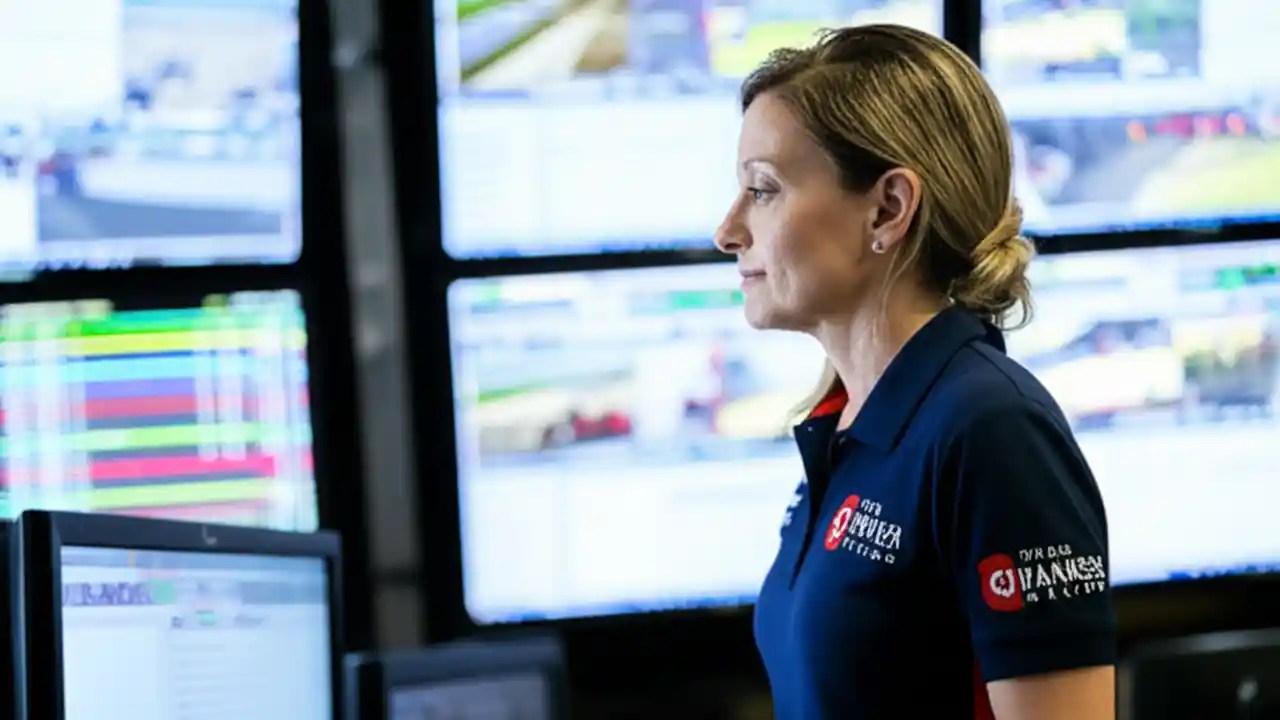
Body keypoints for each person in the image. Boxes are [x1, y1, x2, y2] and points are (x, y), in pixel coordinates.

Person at [713, 24, 1116, 720]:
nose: (727, 230)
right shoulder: (849, 420)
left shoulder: (991, 427)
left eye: (764, 189)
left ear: (888, 209)